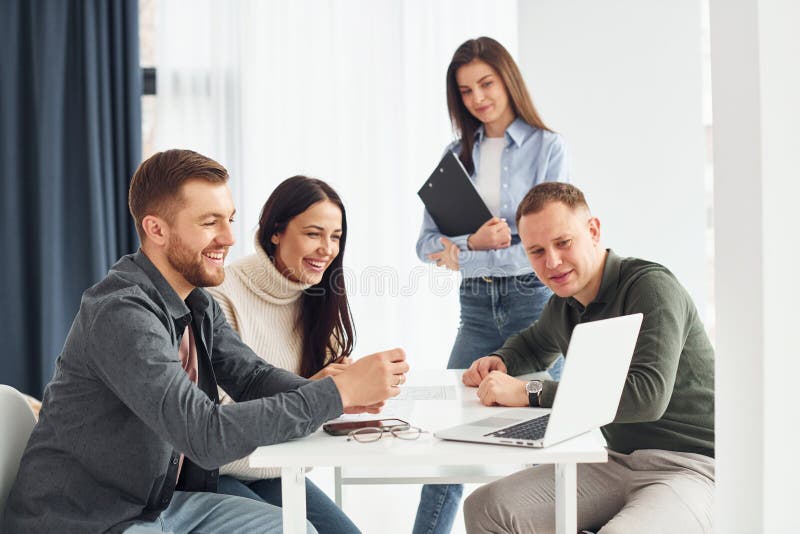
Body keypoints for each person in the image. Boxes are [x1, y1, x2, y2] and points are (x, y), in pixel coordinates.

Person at [1, 149, 409, 534]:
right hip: (90, 519)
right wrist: (335, 394)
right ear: (156, 229)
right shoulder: (121, 312)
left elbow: (252, 377)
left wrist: (337, 394)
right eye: (210, 222)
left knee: (296, 529)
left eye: (230, 219)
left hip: (158, 505)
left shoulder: (195, 302)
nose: (230, 237)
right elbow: (205, 435)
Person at [461, 182, 715, 533]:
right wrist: (500, 361)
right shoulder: (564, 305)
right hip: (615, 461)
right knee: (486, 507)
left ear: (593, 231)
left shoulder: (650, 287)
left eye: (563, 243)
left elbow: (647, 397)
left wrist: (529, 391)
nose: (552, 261)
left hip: (693, 467)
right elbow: (533, 345)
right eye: (536, 251)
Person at [414, 36, 569, 534]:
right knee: (449, 435)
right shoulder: (455, 155)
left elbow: (551, 244)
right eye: (465, 91)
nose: (478, 98)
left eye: (486, 83)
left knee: (554, 430)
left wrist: (475, 251)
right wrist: (475, 243)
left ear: (508, 81)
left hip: (535, 303)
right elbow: (426, 246)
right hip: (476, 309)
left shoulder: (548, 147)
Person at [206, 176, 360, 533]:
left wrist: (350, 395)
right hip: (221, 470)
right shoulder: (220, 294)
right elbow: (218, 420)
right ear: (276, 232)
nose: (327, 248)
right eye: (313, 233)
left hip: (280, 468)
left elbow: (324, 411)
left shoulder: (321, 300)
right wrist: (313, 393)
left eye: (335, 237)